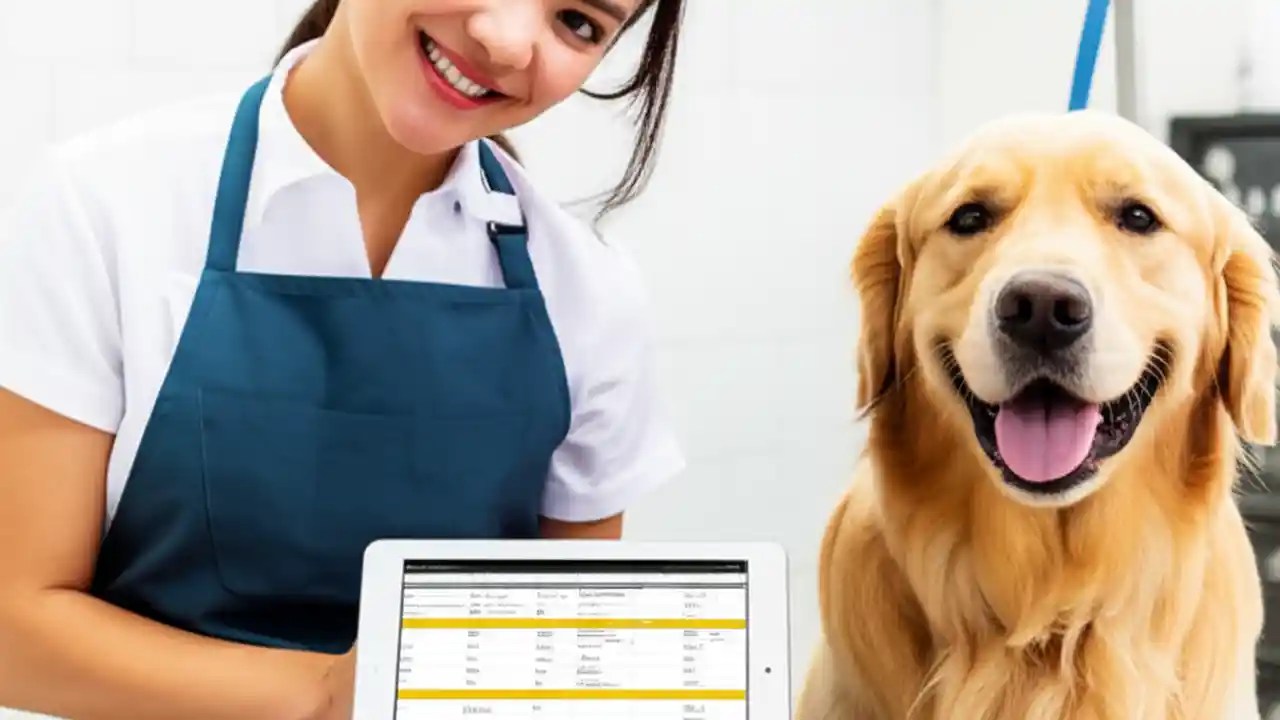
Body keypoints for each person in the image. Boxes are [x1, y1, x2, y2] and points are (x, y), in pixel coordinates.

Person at [0, 0, 686, 717]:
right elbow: (13, 632)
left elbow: (570, 656)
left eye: (577, 22)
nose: (508, 41)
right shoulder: (106, 207)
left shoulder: (591, 290)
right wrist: (328, 695)